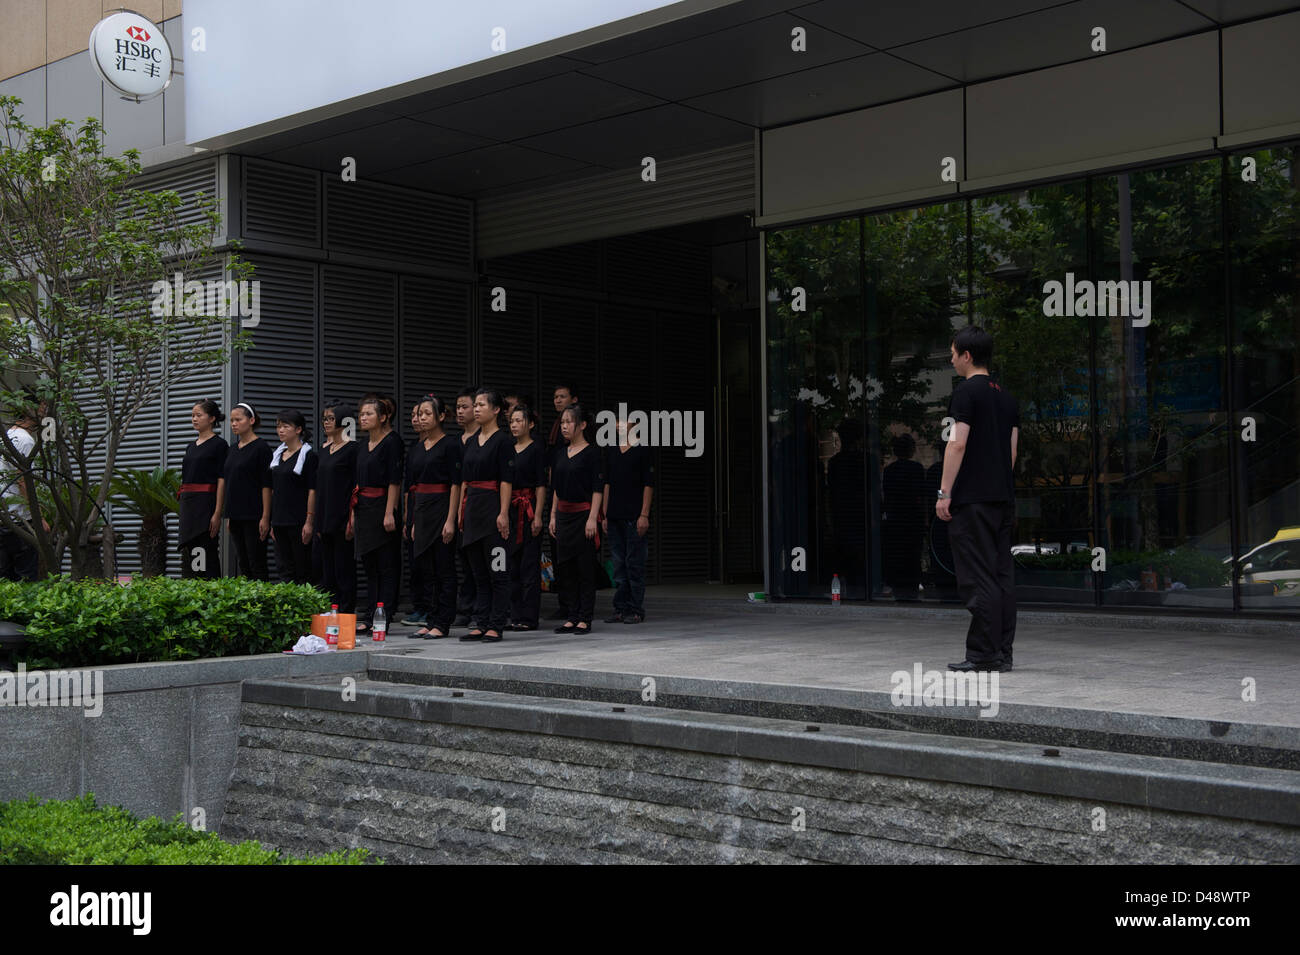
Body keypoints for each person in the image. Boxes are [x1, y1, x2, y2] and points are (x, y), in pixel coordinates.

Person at [935, 326, 1020, 673]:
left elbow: (956, 442)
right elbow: (1012, 451)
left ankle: (983, 654)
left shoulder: (965, 394)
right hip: (1002, 497)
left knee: (977, 576)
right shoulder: (1007, 397)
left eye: (953, 353)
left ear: (967, 356)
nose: (951, 359)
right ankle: (1002, 652)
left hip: (973, 500)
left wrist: (944, 492)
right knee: (1001, 576)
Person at [458, 388, 515, 642]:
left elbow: (506, 480)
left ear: (496, 410)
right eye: (476, 405)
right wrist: (460, 511)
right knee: (478, 573)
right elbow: (463, 482)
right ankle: (480, 622)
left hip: (493, 511)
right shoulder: (470, 442)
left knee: (497, 571)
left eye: (482, 405)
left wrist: (503, 513)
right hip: (472, 511)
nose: (477, 409)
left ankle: (496, 623)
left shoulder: (503, 441)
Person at [407, 395, 462, 639]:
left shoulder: (451, 445)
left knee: (444, 569)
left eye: (427, 413)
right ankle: (430, 619)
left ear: (441, 416)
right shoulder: (417, 448)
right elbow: (414, 486)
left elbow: (455, 484)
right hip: (422, 510)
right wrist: (414, 521)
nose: (422, 418)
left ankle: (443, 621)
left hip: (442, 507)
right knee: (425, 569)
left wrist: (451, 519)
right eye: (419, 414)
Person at [549, 403, 603, 635]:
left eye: (569, 422)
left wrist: (593, 518)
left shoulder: (593, 453)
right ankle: (571, 615)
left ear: (581, 425)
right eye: (562, 422)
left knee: (584, 569)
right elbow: (555, 489)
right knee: (565, 569)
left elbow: (598, 489)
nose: (564, 426)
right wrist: (552, 515)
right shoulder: (560, 454)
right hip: (563, 515)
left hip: (583, 515)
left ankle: (584, 617)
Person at [351, 393, 403, 635]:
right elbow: (357, 482)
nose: (363, 417)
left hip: (383, 506)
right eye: (361, 414)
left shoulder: (392, 442)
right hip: (363, 508)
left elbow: (394, 479)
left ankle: (385, 614)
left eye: (369, 414)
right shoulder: (362, 445)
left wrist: (390, 511)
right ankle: (371, 613)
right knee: (369, 565)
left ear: (383, 417)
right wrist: (353, 514)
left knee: (386, 565)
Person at [602, 415, 653, 624]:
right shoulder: (612, 450)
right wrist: (604, 514)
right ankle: (620, 608)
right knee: (619, 564)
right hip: (614, 515)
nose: (619, 425)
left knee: (634, 563)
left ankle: (635, 609)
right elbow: (606, 484)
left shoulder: (642, 450)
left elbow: (648, 485)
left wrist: (644, 514)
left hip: (634, 516)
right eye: (617, 421)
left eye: (624, 420)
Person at [177, 399, 228, 579]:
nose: (194, 419)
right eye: (192, 416)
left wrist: (217, 512)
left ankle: (210, 590)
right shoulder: (190, 446)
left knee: (206, 548)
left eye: (199, 415)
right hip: (188, 504)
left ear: (212, 418)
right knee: (192, 548)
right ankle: (194, 589)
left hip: (206, 504)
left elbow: (222, 479)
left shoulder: (219, 445)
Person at [316, 400, 358, 614]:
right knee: (328, 568)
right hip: (324, 515)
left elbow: (355, 486)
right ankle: (331, 609)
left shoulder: (353, 449)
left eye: (331, 418)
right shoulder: (323, 450)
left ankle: (346, 610)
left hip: (342, 515)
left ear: (343, 421)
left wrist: (351, 518)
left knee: (344, 567)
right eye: (324, 418)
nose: (326, 422)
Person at [507, 404, 546, 631]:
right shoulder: (507, 448)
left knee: (529, 566)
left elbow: (541, 485)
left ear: (530, 424)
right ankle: (514, 614)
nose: (513, 425)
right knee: (510, 565)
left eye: (519, 421)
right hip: (510, 509)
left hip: (529, 507)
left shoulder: (536, 449)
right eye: (511, 421)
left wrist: (538, 515)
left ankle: (529, 617)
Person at [223, 402, 272, 579]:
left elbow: (266, 485)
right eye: (232, 420)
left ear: (251, 420)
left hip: (254, 514)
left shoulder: (261, 448)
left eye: (238, 419)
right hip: (235, 514)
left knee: (256, 561)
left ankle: (261, 603)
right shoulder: (232, 449)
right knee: (243, 562)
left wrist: (265, 517)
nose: (234, 423)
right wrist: (229, 516)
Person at [268, 410, 318, 585]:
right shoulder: (277, 456)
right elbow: (274, 490)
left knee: (302, 566)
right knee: (284, 567)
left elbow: (313, 490)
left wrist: (309, 521)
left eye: (285, 426)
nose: (280, 430)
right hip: (280, 520)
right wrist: (272, 520)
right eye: (278, 426)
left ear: (298, 429)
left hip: (298, 520)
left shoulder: (309, 455)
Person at [546, 383, 577, 620]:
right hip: (557, 497)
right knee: (558, 554)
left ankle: (577, 606)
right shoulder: (555, 429)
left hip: (577, 502)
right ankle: (564, 603)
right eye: (555, 397)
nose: (557, 400)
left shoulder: (582, 436)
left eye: (562, 397)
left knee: (576, 558)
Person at [0, 404, 42, 581]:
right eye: (41, 408)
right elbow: (22, 478)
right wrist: (38, 515)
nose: (44, 414)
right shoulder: (26, 440)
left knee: (5, 577)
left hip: (5, 516)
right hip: (22, 518)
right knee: (26, 578)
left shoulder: (5, 437)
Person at [402, 401, 432, 627]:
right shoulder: (413, 446)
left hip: (432, 504)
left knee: (430, 560)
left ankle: (431, 608)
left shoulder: (442, 445)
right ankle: (418, 605)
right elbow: (407, 484)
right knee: (414, 560)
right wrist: (406, 515)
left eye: (422, 414)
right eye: (414, 414)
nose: (417, 419)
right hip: (414, 502)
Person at [453, 386, 480, 629]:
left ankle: (477, 608)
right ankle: (464, 606)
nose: (460, 412)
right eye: (458, 407)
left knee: (478, 561)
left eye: (465, 407)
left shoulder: (483, 438)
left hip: (479, 503)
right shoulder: (455, 441)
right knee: (461, 559)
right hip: (458, 503)